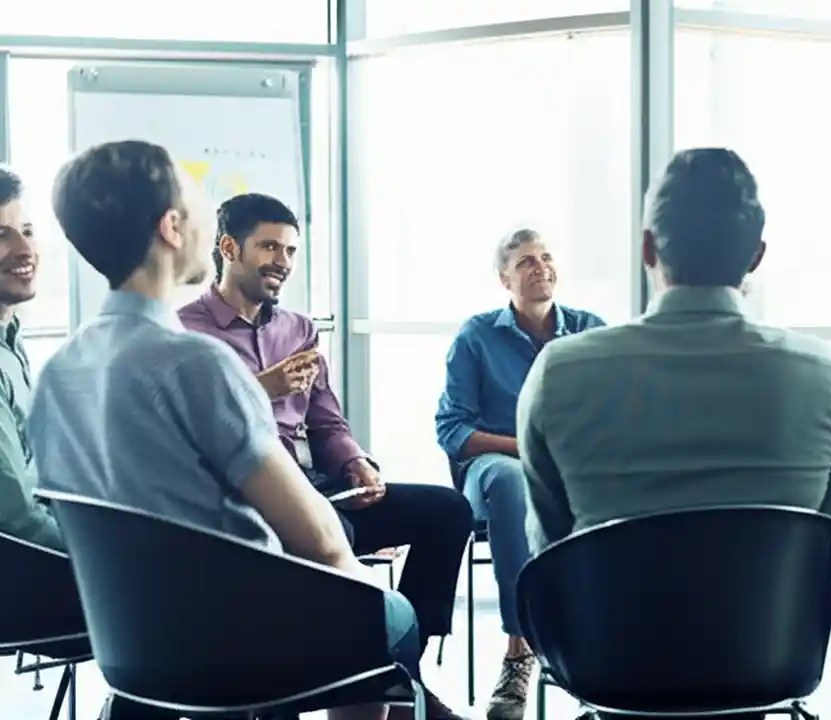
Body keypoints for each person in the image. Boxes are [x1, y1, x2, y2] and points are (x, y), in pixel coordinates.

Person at [28, 140, 460, 720]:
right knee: (382, 621)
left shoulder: (58, 371)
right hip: (239, 639)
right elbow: (322, 543)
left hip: (130, 645)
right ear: (173, 226)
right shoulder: (197, 362)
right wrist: (380, 604)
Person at [179, 192, 473, 672]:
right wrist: (263, 388)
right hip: (245, 500)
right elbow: (192, 429)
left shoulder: (299, 329)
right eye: (270, 248)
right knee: (330, 537)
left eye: (291, 251)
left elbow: (326, 422)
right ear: (229, 248)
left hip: (315, 488)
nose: (283, 262)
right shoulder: (186, 332)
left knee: (446, 511)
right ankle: (330, 676)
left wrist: (356, 463)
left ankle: (400, 673)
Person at [517, 147, 831, 549]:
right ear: (756, 256)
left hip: (616, 612)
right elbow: (822, 548)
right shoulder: (824, 379)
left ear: (647, 248)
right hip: (766, 614)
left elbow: (549, 556)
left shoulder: (558, 373)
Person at [435, 228, 604, 720]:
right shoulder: (476, 336)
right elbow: (453, 430)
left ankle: (615, 653)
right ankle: (520, 650)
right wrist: (529, 450)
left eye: (547, 257)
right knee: (512, 482)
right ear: (504, 278)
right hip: (496, 466)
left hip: (574, 467)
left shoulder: (590, 329)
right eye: (526, 261)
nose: (541, 267)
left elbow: (618, 409)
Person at [0, 166, 60, 550]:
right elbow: (17, 518)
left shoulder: (12, 339)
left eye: (28, 231)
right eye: (1, 237)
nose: (25, 250)